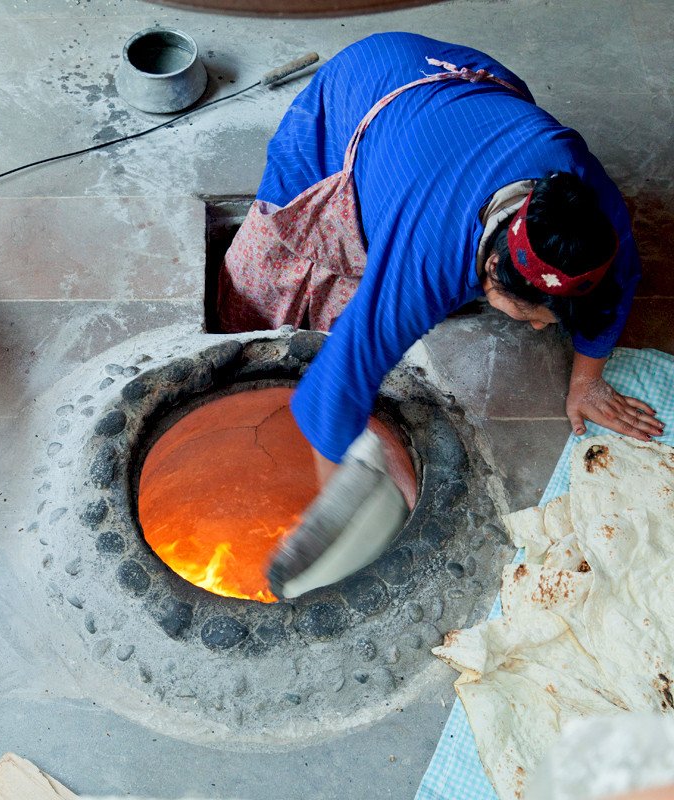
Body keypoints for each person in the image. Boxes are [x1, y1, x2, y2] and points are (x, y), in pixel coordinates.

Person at [218, 32, 662, 486]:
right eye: (531, 315)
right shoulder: (426, 261)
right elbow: (339, 379)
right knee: (272, 269)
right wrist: (334, 504)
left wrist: (587, 382)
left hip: (469, 98)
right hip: (361, 89)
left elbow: (619, 280)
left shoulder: (589, 209)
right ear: (493, 266)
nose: (533, 327)